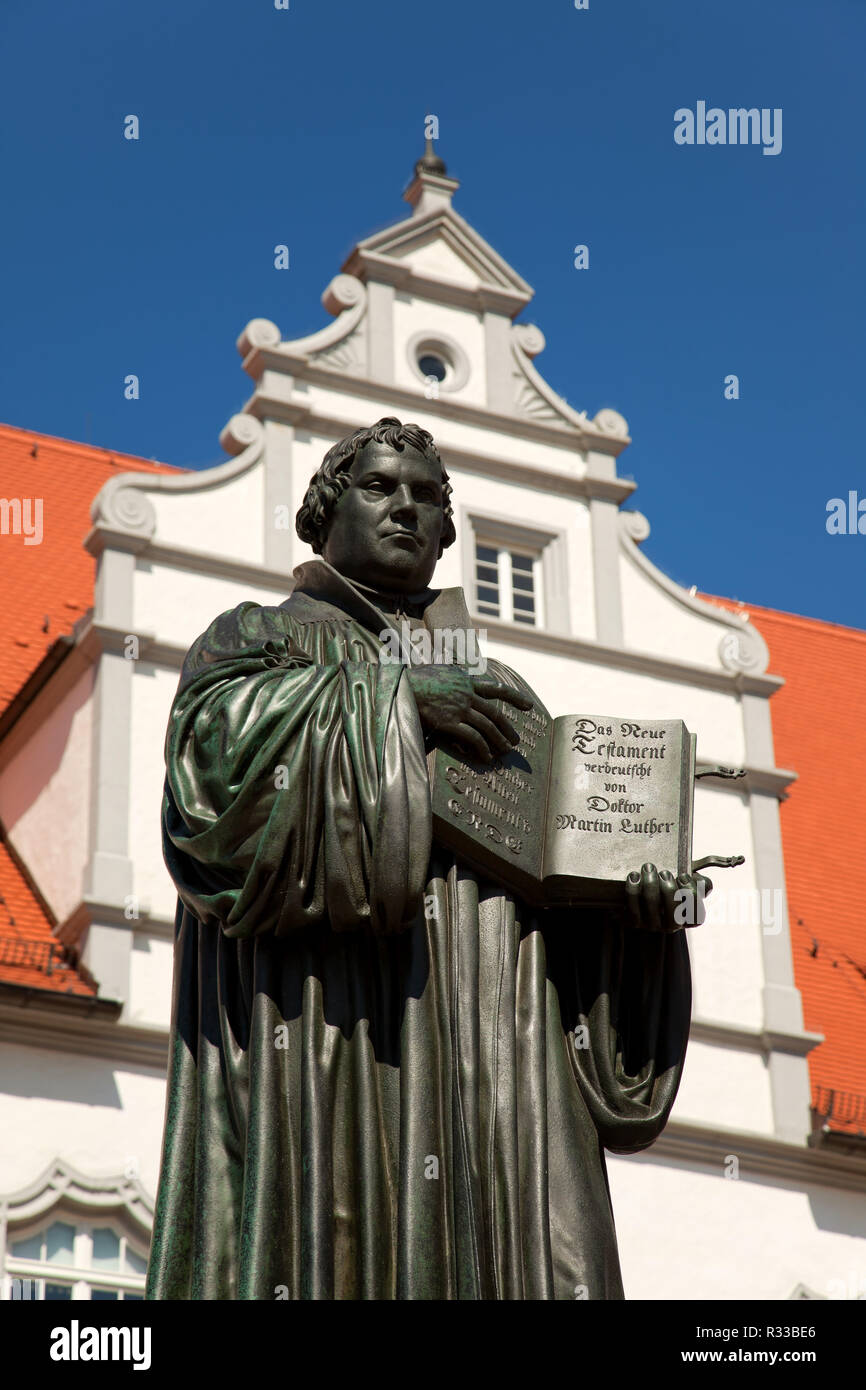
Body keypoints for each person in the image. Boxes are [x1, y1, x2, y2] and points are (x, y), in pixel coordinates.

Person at [146, 416, 705, 1300]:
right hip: (335, 1027)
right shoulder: (255, 637)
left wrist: (634, 924)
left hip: (503, 1046)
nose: (407, 507)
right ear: (323, 513)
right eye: (379, 487)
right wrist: (396, 699)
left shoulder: (506, 694)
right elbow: (210, 799)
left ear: (448, 534)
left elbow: (554, 892)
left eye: (428, 497)